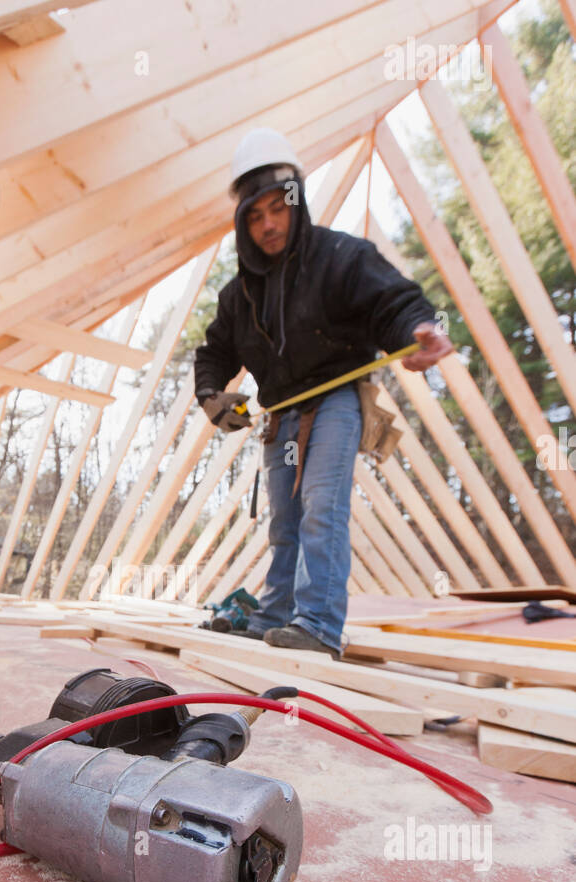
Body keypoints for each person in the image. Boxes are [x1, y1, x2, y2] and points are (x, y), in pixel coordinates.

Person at [194, 127, 453, 657]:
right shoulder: (239, 292)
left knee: (319, 505)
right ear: (243, 221)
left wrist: (417, 331)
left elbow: (394, 304)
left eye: (278, 209)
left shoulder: (341, 258)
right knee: (285, 520)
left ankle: (318, 625)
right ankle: (273, 614)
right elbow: (214, 353)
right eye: (256, 215)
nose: (269, 224)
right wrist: (211, 395)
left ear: (297, 203)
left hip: (335, 400)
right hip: (281, 411)